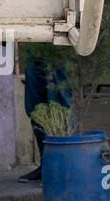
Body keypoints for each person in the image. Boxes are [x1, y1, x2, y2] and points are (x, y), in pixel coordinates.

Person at [18, 51, 72, 182]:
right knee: (35, 108)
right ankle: (46, 166)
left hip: (58, 44)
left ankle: (62, 168)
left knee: (58, 107)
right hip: (34, 45)